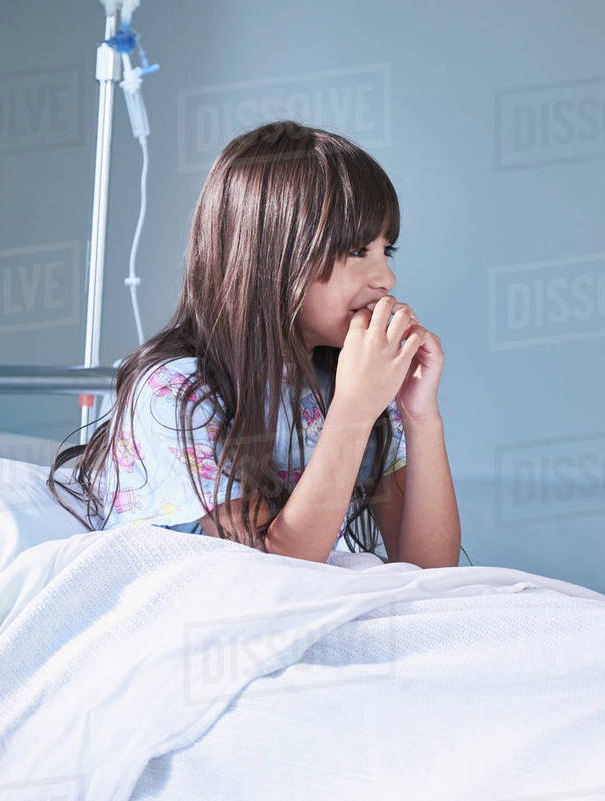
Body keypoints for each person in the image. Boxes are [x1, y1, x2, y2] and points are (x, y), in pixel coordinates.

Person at [49, 121, 461, 567]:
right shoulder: (174, 393)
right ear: (275, 254)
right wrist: (355, 409)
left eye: (387, 252)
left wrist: (421, 414)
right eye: (357, 252)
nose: (386, 279)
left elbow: (431, 570)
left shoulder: (344, 379)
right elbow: (276, 567)